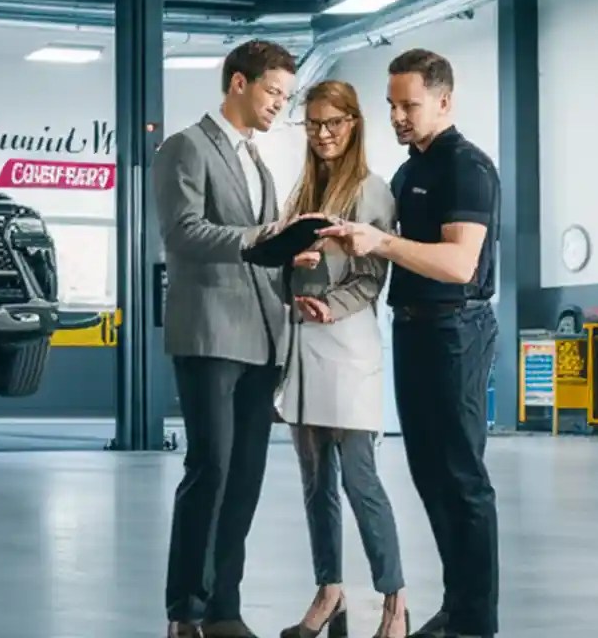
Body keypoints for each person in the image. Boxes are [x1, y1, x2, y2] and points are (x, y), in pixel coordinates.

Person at [316, 49, 501, 638]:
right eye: (391, 104)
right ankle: (456, 606)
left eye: (409, 104)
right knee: (428, 473)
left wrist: (383, 244)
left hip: (456, 330)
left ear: (444, 101)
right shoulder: (408, 170)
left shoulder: (466, 167)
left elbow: (460, 263)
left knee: (462, 478)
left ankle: (475, 622)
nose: (397, 115)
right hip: (414, 328)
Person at [152, 39, 301, 638]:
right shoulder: (185, 147)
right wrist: (258, 238)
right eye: (273, 93)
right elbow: (183, 232)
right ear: (238, 83)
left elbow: (260, 247)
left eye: (286, 98)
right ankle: (185, 611)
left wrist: (292, 249)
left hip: (263, 338)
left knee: (245, 478)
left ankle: (224, 609)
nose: (278, 107)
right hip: (211, 332)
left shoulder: (260, 162)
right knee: (209, 469)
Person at [268, 80, 409, 638]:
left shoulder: (372, 192)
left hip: (347, 346)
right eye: (313, 124)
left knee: (359, 479)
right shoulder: (300, 192)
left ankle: (394, 603)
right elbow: (279, 264)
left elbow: (372, 277)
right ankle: (329, 592)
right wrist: (288, 280)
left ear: (354, 123)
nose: (323, 134)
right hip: (302, 346)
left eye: (334, 123)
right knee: (314, 483)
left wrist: (328, 305)